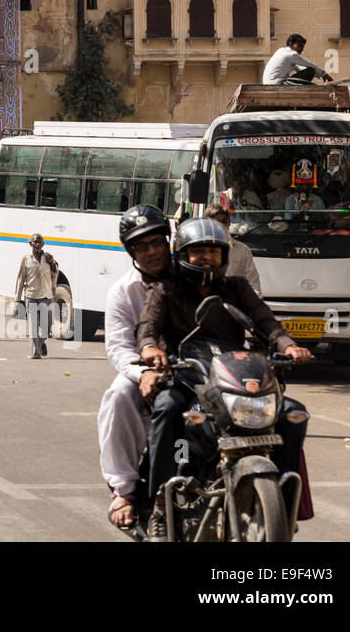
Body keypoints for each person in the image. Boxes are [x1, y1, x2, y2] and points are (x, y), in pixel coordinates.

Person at [137, 216, 313, 542]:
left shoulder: (237, 287)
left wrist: (288, 346)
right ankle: (161, 504)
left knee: (292, 413)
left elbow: (265, 321)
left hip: (232, 375)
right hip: (187, 375)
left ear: (223, 256)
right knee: (166, 408)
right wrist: (149, 349)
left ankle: (283, 498)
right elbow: (147, 327)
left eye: (213, 252)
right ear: (183, 255)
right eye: (198, 251)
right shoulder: (164, 289)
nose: (206, 257)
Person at [99, 205, 171, 530]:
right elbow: (118, 347)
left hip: (199, 366)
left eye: (157, 242)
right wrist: (144, 372)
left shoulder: (191, 277)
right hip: (147, 371)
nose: (153, 251)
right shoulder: (122, 292)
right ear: (131, 251)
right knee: (118, 396)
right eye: (142, 246)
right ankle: (124, 489)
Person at [14, 233, 58, 359]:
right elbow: (20, 278)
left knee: (46, 328)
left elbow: (55, 273)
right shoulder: (26, 259)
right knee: (33, 325)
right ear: (30, 244)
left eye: (40, 242)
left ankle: (42, 342)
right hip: (31, 295)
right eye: (35, 242)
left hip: (46, 296)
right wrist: (17, 299)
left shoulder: (48, 258)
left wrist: (52, 263)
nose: (38, 244)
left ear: (43, 244)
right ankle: (35, 352)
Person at [202, 203, 262, 296]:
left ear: (229, 223)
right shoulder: (198, 249)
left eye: (224, 221)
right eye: (217, 222)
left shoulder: (243, 250)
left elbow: (253, 284)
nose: (221, 225)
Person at [262, 33, 332, 85]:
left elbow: (298, 68)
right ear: (290, 44)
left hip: (269, 83)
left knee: (310, 72)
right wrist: (324, 74)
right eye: (299, 46)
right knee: (310, 71)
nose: (301, 49)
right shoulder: (292, 54)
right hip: (276, 84)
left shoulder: (280, 51)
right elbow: (310, 65)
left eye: (302, 47)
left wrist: (317, 74)